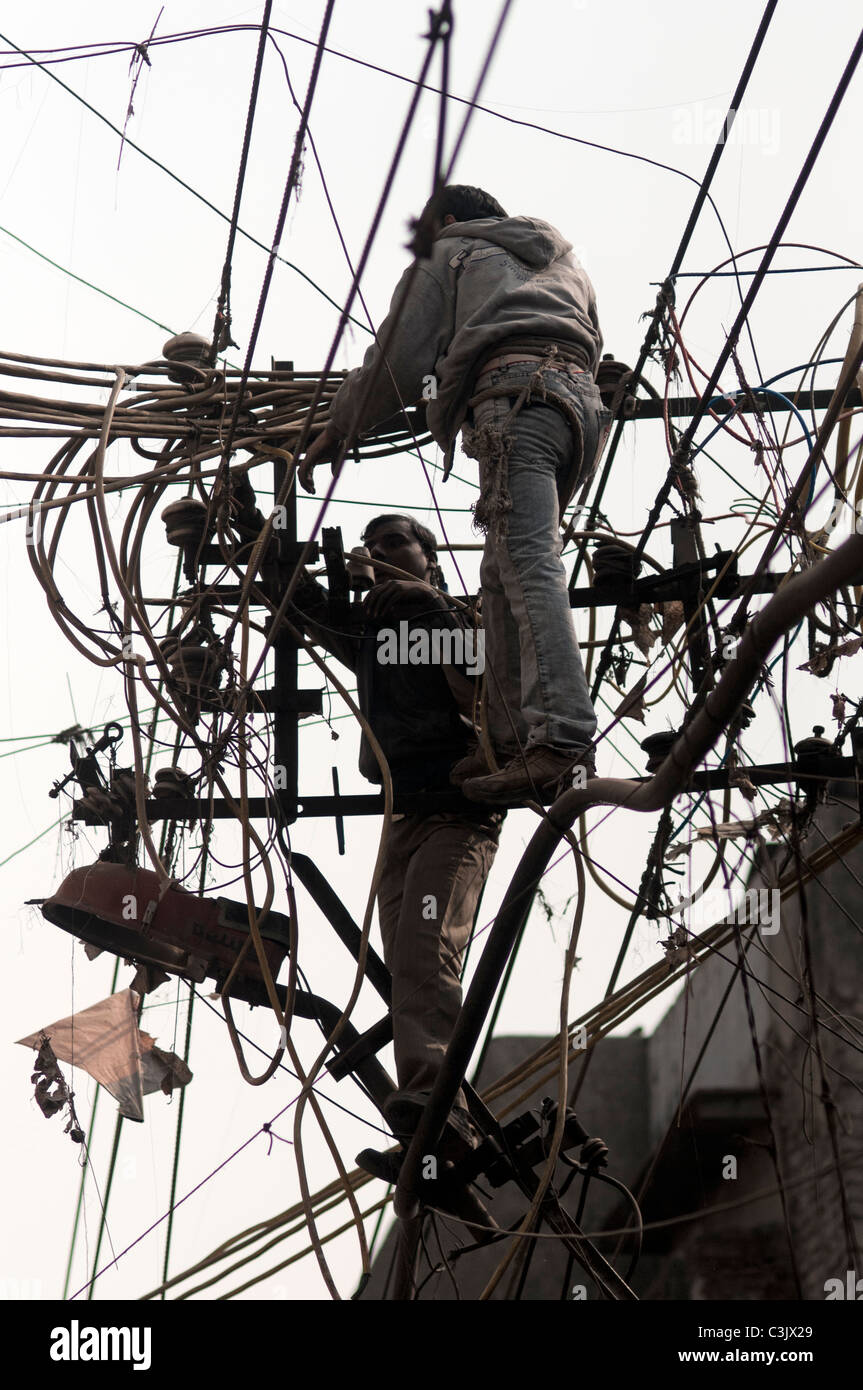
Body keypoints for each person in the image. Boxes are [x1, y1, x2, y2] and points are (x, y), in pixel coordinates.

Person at [299, 184, 610, 807]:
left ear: (445, 221)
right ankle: (508, 740)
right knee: (500, 574)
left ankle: (564, 736)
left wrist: (340, 426)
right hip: (578, 412)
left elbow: (398, 359)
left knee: (525, 564)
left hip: (514, 403)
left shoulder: (451, 254)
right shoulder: (561, 261)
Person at [289, 513, 503, 1173]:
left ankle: (434, 1103)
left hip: (457, 809)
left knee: (421, 949)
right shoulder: (376, 636)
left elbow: (488, 695)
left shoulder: (450, 621)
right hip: (403, 814)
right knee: (404, 965)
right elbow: (307, 610)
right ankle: (433, 1124)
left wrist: (429, 606)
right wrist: (261, 543)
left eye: (395, 543)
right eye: (373, 546)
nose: (380, 554)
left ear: (427, 556)